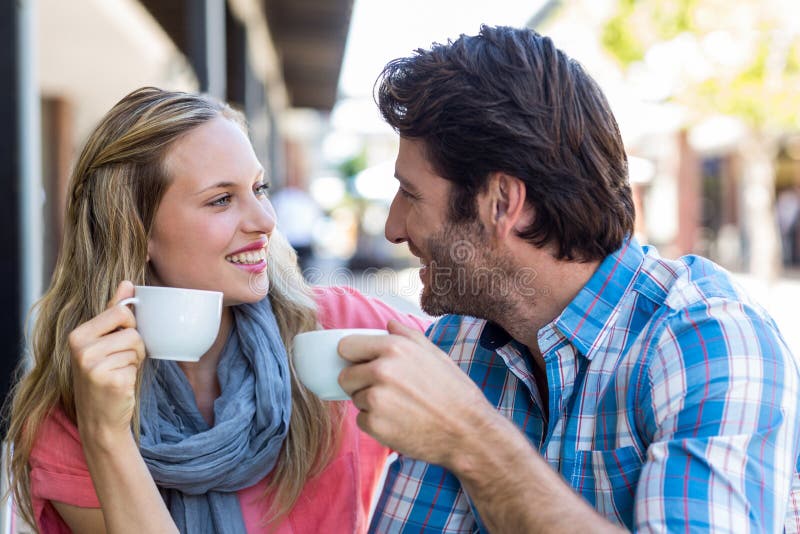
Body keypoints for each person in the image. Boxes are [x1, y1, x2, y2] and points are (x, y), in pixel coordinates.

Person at [336, 26, 800, 532]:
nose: (393, 228)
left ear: (501, 203)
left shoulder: (709, 341)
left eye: (410, 194)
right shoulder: (459, 345)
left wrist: (470, 437)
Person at [3, 87, 428, 534]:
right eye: (221, 199)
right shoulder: (75, 409)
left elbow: (484, 381)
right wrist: (106, 436)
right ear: (135, 227)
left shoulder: (336, 326)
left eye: (258, 188)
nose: (265, 220)